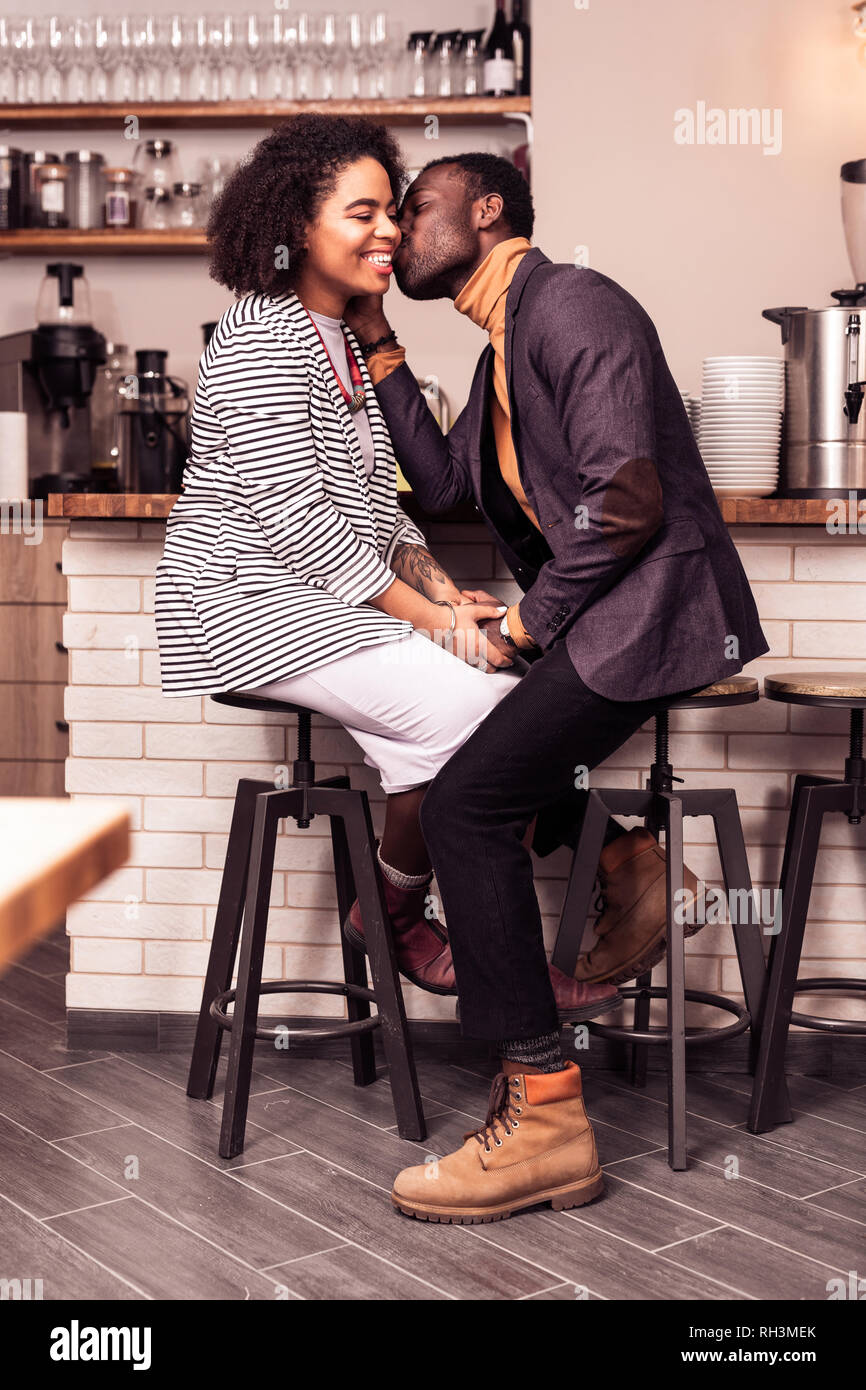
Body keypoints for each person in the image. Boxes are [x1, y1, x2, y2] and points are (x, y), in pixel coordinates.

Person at [341, 152, 769, 1224]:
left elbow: (625, 498)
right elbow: (440, 484)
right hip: (603, 620)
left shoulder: (572, 303)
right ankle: (628, 861)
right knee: (484, 764)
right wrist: (380, 342)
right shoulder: (498, 353)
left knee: (465, 804)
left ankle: (542, 1115)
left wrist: (526, 622)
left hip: (648, 616)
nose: (398, 226)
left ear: (485, 209)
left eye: (415, 206)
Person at [153, 115, 619, 1028]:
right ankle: (466, 948)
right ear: (296, 225)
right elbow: (301, 531)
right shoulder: (260, 334)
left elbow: (378, 507)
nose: (389, 233)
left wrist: (445, 592)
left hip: (320, 600)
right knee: (489, 714)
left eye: (391, 213)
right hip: (246, 601)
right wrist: (433, 622)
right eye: (360, 212)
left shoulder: (343, 343)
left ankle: (395, 913)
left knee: (502, 690)